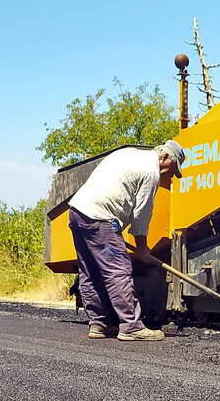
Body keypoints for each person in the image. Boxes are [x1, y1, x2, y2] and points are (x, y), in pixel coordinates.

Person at [68, 140, 185, 342]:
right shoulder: (151, 171)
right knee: (119, 270)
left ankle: (99, 324)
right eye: (172, 168)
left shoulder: (128, 153)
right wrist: (142, 248)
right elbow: (141, 214)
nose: (170, 175)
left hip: (78, 212)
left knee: (90, 271)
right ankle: (131, 326)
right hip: (101, 217)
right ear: (165, 156)